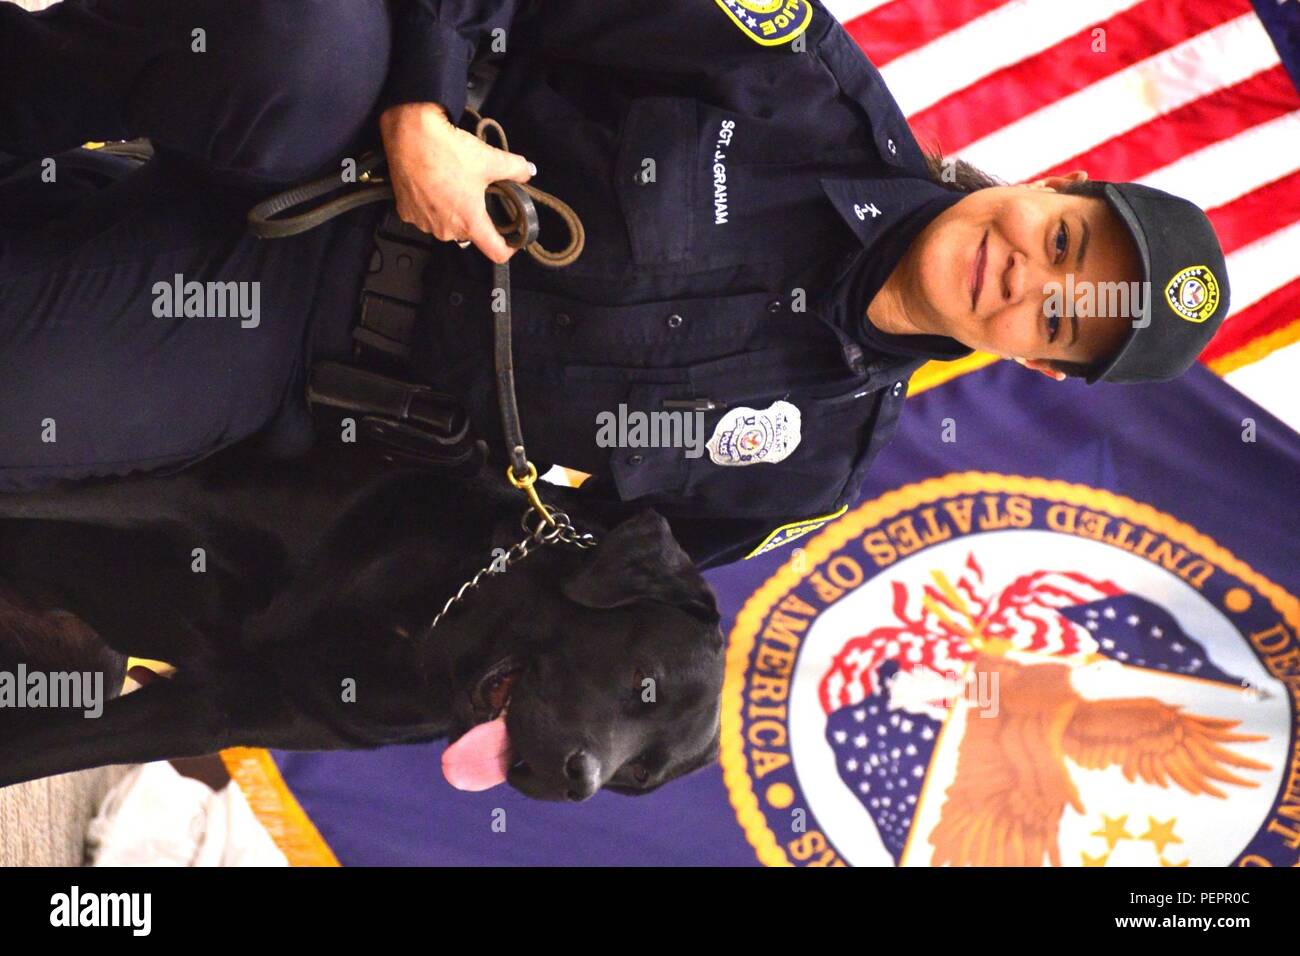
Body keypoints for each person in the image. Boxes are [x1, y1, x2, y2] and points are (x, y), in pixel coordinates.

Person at [0, 0, 1231, 569]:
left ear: (1040, 362)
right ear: (1057, 183)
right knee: (287, 39)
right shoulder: (793, 76)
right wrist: (425, 106)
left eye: (1059, 317)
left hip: (286, 354)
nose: (1027, 273)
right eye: (1065, 242)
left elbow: (547, 576)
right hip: (345, 134)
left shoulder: (802, 473)